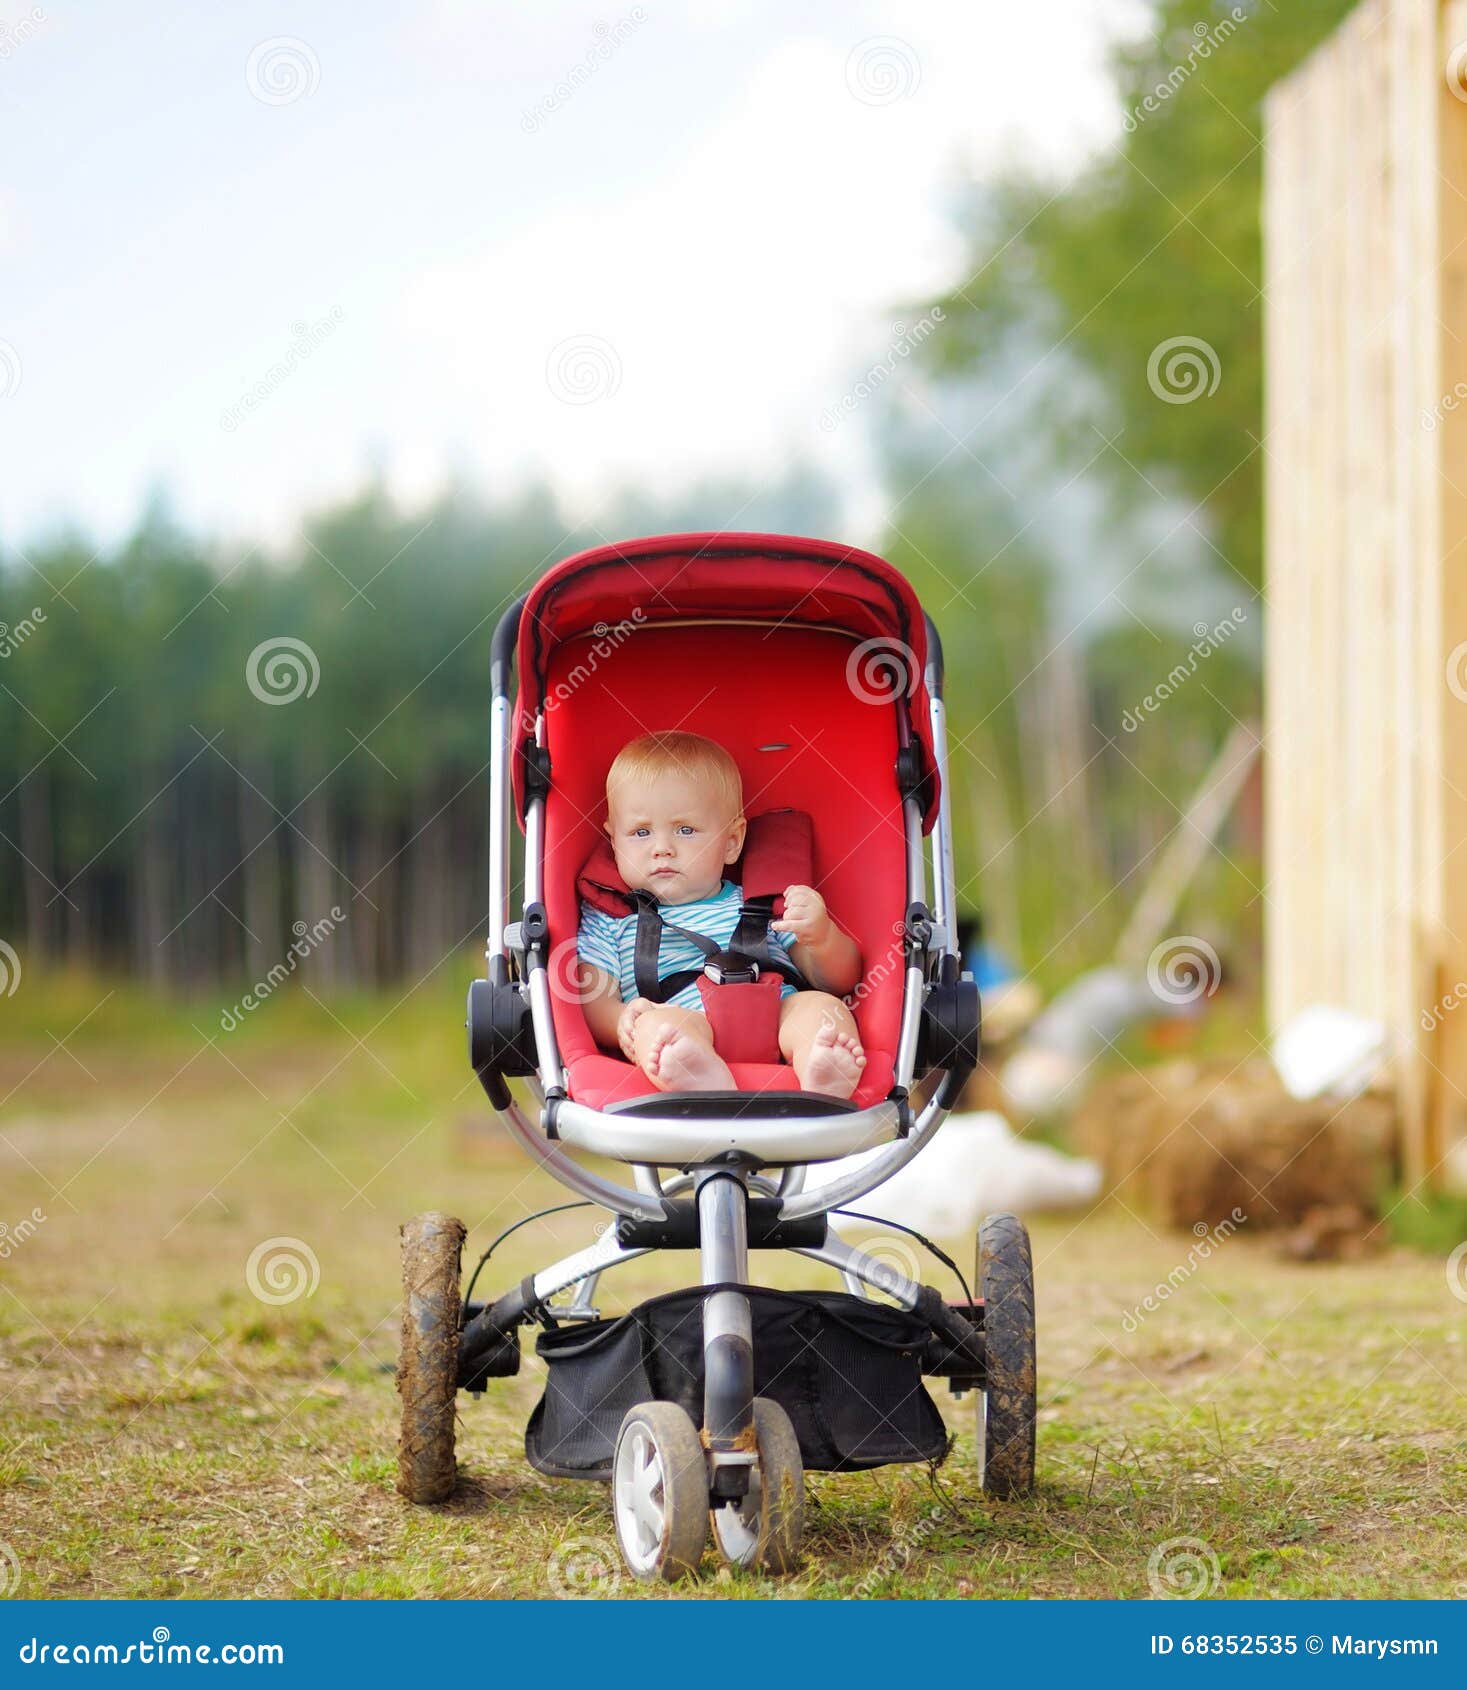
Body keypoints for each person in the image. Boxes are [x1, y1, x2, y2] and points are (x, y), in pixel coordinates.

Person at [576, 730, 867, 1097]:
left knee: (819, 1008)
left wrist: (821, 937)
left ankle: (822, 1065)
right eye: (640, 832)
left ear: (731, 842)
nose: (662, 848)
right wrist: (623, 1020)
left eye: (685, 830)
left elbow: (840, 981)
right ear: (614, 840)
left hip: (774, 1012)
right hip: (682, 1018)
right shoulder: (612, 917)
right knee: (658, 1027)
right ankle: (693, 1071)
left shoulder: (764, 902)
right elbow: (591, 994)